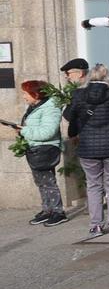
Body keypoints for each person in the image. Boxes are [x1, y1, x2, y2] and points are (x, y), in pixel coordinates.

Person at [63, 63, 109, 236]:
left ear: (89, 77)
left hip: (88, 148)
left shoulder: (78, 94)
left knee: (93, 186)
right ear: (107, 77)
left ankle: (96, 225)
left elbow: (67, 116)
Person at [16, 80, 68, 227]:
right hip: (35, 148)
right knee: (41, 182)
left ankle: (58, 212)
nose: (24, 97)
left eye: (26, 93)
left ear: (36, 94)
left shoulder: (50, 107)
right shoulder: (35, 107)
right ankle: (48, 210)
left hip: (45, 149)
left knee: (48, 182)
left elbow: (47, 132)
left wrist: (24, 130)